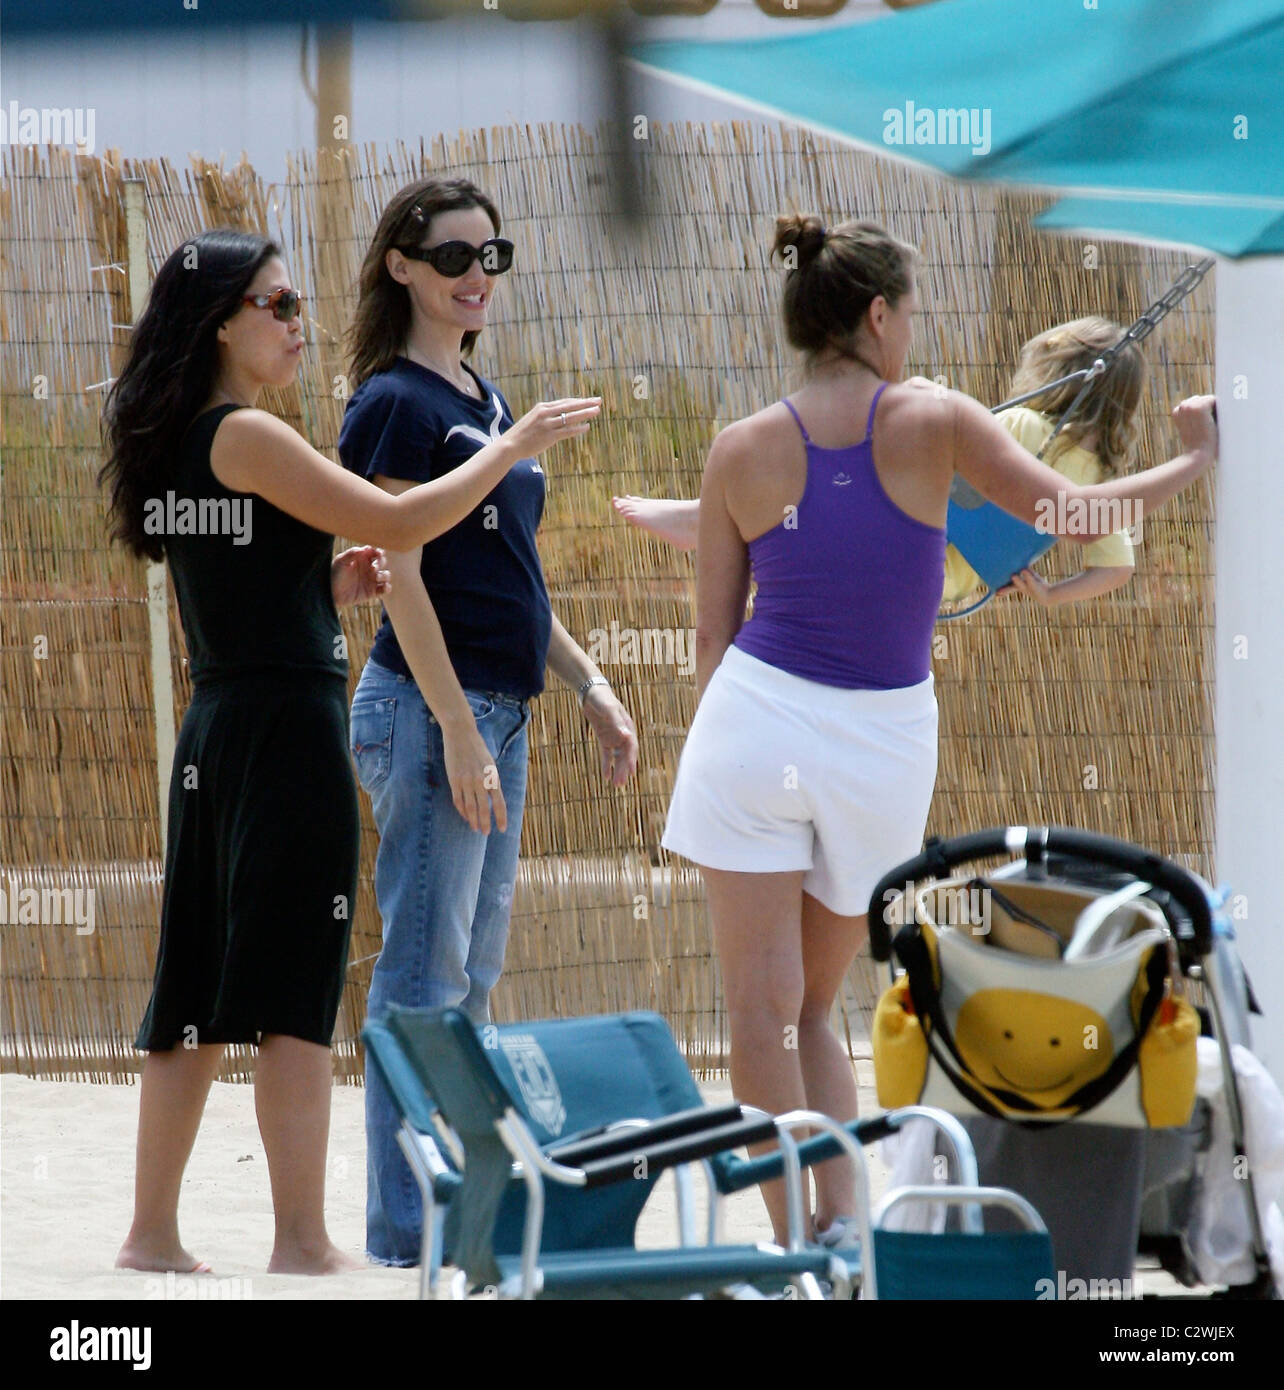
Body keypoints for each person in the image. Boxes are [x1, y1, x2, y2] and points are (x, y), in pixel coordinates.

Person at [657, 213, 1218, 1247]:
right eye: (909, 311)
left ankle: (799, 1252)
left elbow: (709, 636)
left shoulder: (740, 445)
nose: (914, 331)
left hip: (753, 720)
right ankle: (844, 1229)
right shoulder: (935, 418)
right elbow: (1073, 517)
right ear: (876, 315)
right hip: (877, 741)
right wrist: (1193, 459)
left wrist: (730, 765)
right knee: (816, 1007)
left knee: (761, 1012)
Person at [102, 227, 600, 1275]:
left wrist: (325, 588)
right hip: (283, 733)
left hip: (226, 723)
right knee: (292, 993)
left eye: (297, 305)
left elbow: (233, 596)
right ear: (219, 323)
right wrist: (509, 450)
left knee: (190, 988)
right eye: (275, 307)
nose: (297, 323)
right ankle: (300, 1240)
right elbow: (399, 513)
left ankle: (151, 1234)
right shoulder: (250, 434)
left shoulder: (197, 436)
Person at [337, 176, 639, 1268]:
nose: (477, 275)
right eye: (455, 256)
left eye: (491, 256)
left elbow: (515, 577)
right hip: (430, 709)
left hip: (496, 713)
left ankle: (456, 1212)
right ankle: (406, 1230)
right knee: (421, 976)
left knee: (469, 976)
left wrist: (593, 685)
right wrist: (458, 730)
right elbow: (395, 572)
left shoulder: (486, 400)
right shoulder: (395, 402)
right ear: (402, 267)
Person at [614, 315, 1144, 610]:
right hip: (938, 588)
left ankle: (703, 518)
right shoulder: (1098, 484)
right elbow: (1116, 567)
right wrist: (1049, 595)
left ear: (1059, 373)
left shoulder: (1026, 429)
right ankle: (709, 524)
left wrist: (917, 393)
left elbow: (950, 446)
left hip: (905, 546)